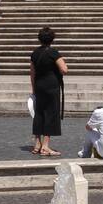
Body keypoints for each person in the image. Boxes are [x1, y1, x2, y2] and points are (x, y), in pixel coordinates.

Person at [29, 26, 67, 156]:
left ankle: (37, 144)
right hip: (51, 86)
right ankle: (45, 146)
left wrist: (33, 89)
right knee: (50, 114)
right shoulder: (53, 52)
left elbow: (32, 73)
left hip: (39, 86)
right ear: (52, 39)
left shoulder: (35, 53)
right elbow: (64, 69)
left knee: (38, 114)